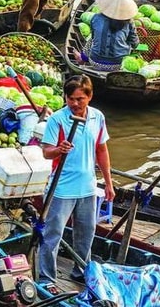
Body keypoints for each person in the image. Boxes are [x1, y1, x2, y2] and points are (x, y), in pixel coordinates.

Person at [38, 75, 114, 284]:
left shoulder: (97, 117)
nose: (74, 103)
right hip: (61, 188)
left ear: (89, 97)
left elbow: (101, 150)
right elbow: (46, 152)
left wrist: (108, 183)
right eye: (70, 98)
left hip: (87, 188)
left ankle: (81, 272)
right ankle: (46, 278)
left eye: (80, 99)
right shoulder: (58, 119)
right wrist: (59, 149)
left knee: (86, 234)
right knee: (52, 235)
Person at [85, 0, 139, 70]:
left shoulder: (96, 18)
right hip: (119, 64)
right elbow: (135, 43)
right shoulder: (129, 22)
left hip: (95, 62)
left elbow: (94, 36)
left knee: (90, 40)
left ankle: (83, 58)